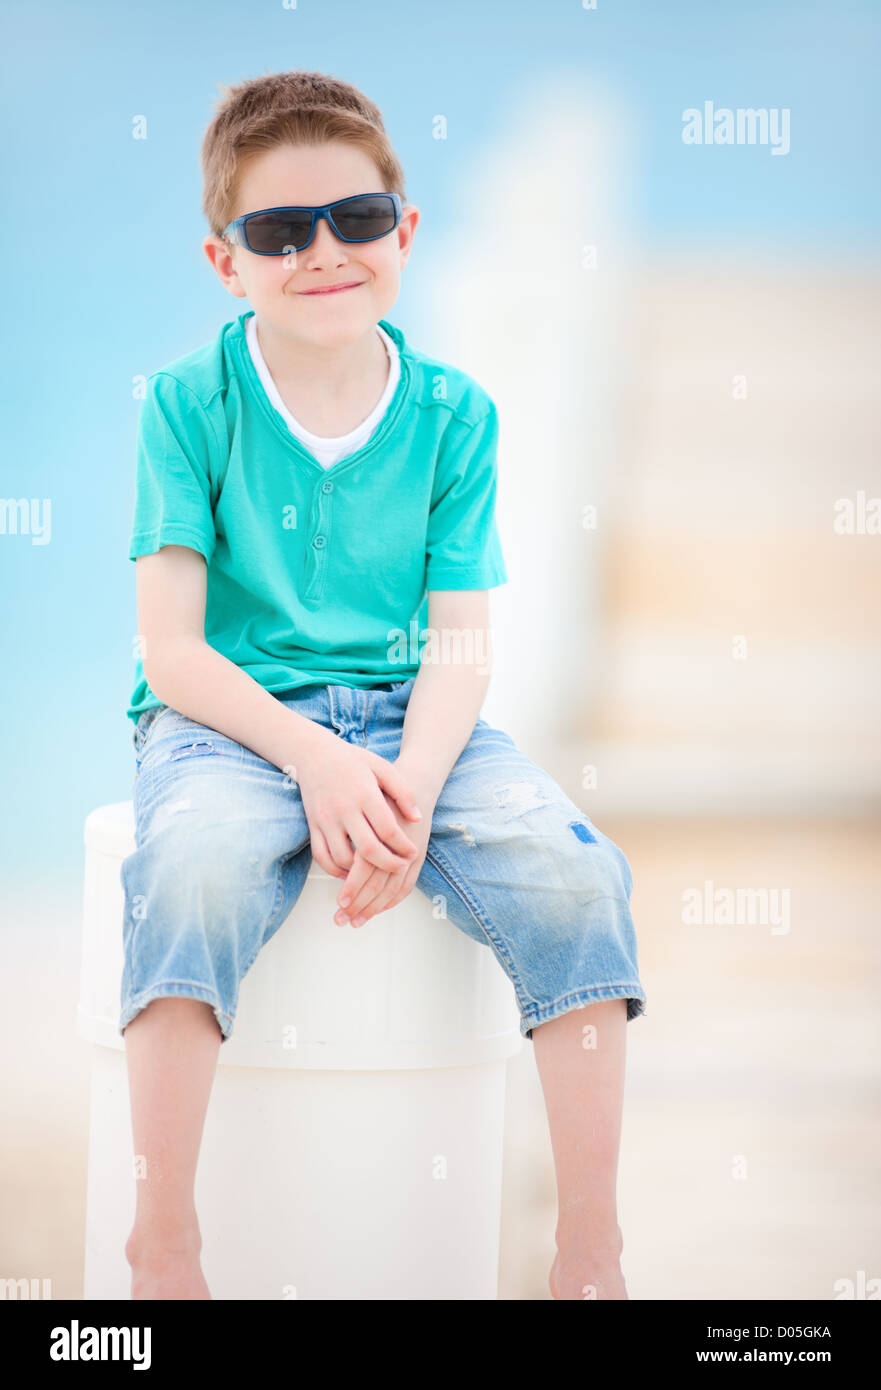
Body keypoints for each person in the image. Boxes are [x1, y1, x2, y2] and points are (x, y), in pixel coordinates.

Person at [120, 69, 647, 1302]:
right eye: (278, 231)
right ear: (223, 260)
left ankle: (588, 1248)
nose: (323, 253)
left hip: (414, 720)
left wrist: (405, 780)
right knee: (190, 869)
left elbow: (463, 640)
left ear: (403, 232)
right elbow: (173, 653)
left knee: (576, 874)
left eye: (356, 221)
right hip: (228, 723)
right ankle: (164, 1240)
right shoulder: (186, 406)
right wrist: (312, 759)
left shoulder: (455, 415)